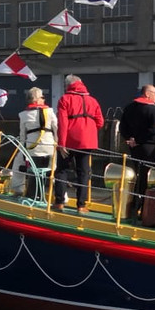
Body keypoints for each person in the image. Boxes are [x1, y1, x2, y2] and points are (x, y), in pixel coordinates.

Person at [54, 74, 104, 210]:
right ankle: (81, 205)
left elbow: (63, 123)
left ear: (67, 86)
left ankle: (59, 202)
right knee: (83, 173)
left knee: (62, 170)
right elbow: (100, 122)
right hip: (88, 141)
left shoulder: (64, 99)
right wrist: (89, 130)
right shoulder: (93, 101)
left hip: (69, 139)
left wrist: (62, 144)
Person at [118, 83, 155, 220]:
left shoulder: (129, 108)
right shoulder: (153, 110)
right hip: (148, 147)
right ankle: (144, 209)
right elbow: (154, 131)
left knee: (137, 175)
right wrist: (139, 140)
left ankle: (133, 206)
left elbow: (122, 126)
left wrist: (130, 139)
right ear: (147, 94)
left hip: (134, 147)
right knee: (148, 178)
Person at [16, 87, 58, 198]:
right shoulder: (50, 111)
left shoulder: (23, 115)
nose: (44, 100)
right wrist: (57, 144)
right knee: (55, 170)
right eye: (42, 97)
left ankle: (18, 189)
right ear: (37, 100)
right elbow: (57, 128)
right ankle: (60, 196)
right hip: (50, 148)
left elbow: (22, 136)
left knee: (18, 163)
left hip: (32, 149)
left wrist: (22, 151)